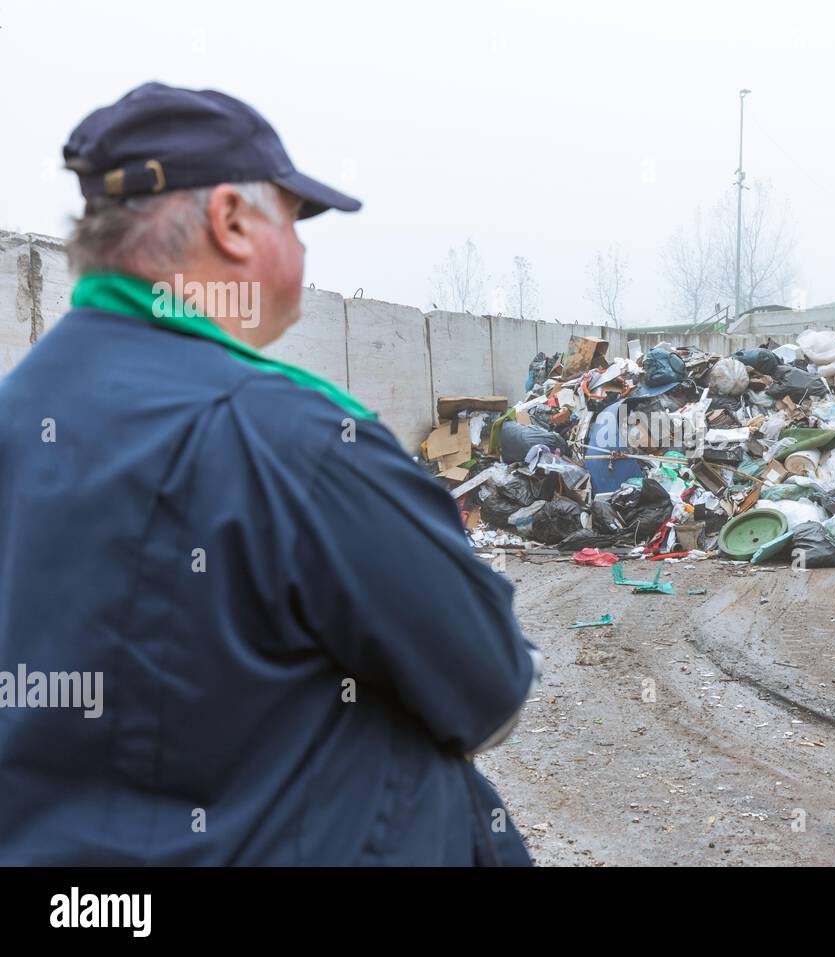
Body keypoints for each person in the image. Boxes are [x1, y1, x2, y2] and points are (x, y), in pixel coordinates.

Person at [0, 82, 539, 865]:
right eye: (293, 217)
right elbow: (490, 693)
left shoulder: (19, 416)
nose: (306, 246)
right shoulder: (295, 436)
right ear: (230, 221)